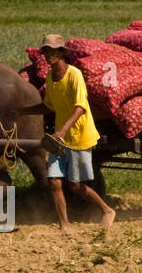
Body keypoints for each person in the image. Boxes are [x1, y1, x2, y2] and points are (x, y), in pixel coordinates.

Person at [38, 34, 114, 231]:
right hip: (60, 139)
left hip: (79, 136)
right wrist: (20, 111)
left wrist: (62, 130)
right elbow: (48, 106)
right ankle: (64, 225)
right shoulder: (49, 76)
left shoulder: (74, 75)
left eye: (53, 51)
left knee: (75, 186)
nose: (48, 55)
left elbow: (80, 107)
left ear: (62, 53)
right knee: (54, 182)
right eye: (46, 51)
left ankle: (107, 210)